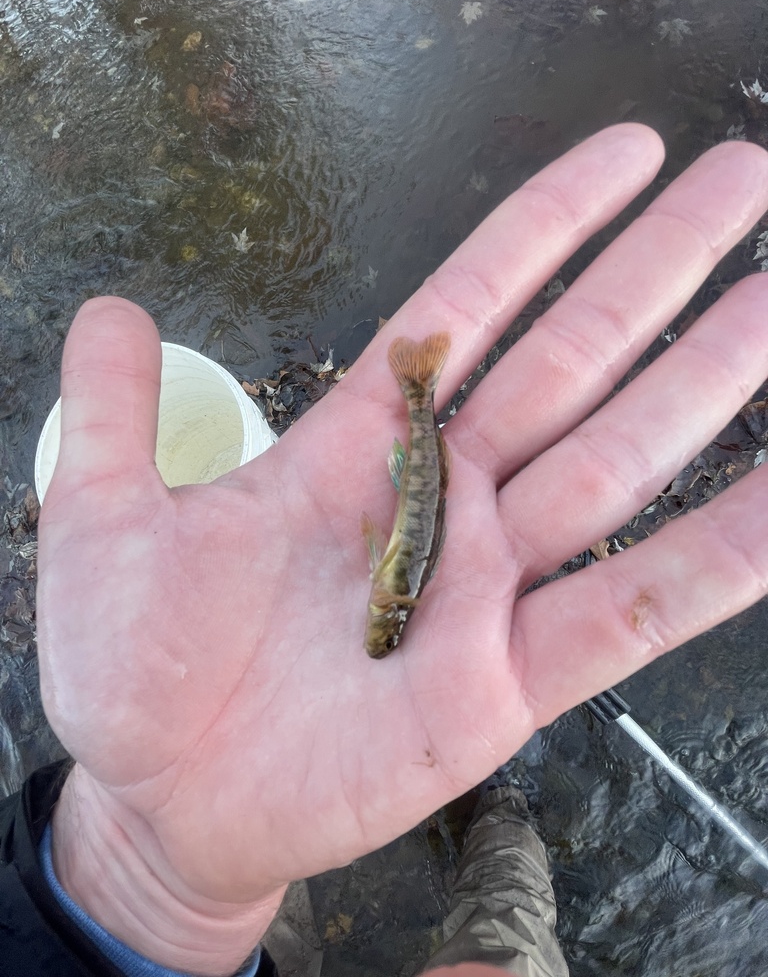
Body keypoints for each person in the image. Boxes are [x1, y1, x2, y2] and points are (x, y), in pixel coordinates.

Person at [1, 123, 768, 977]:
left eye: (382, 632)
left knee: (273, 900)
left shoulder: (387, 596)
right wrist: (148, 875)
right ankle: (501, 833)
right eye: (383, 632)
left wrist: (150, 888)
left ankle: (482, 831)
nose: (378, 631)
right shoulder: (387, 593)